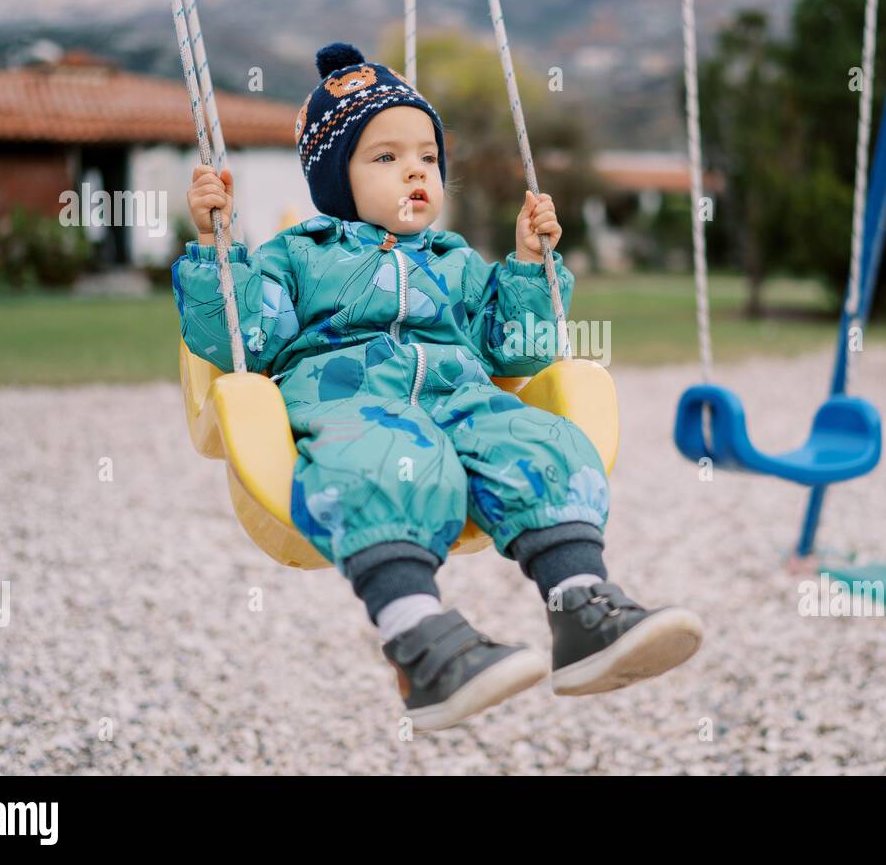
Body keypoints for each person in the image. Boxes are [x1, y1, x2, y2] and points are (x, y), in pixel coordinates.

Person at [174, 42, 703, 731]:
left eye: (427, 156)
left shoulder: (457, 261)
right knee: (389, 462)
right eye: (386, 157)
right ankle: (420, 641)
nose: (415, 172)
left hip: (463, 403)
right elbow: (245, 338)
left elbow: (515, 348)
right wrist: (219, 255)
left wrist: (526, 267)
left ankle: (583, 610)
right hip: (353, 405)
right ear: (337, 179)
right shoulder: (299, 256)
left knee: (542, 440)